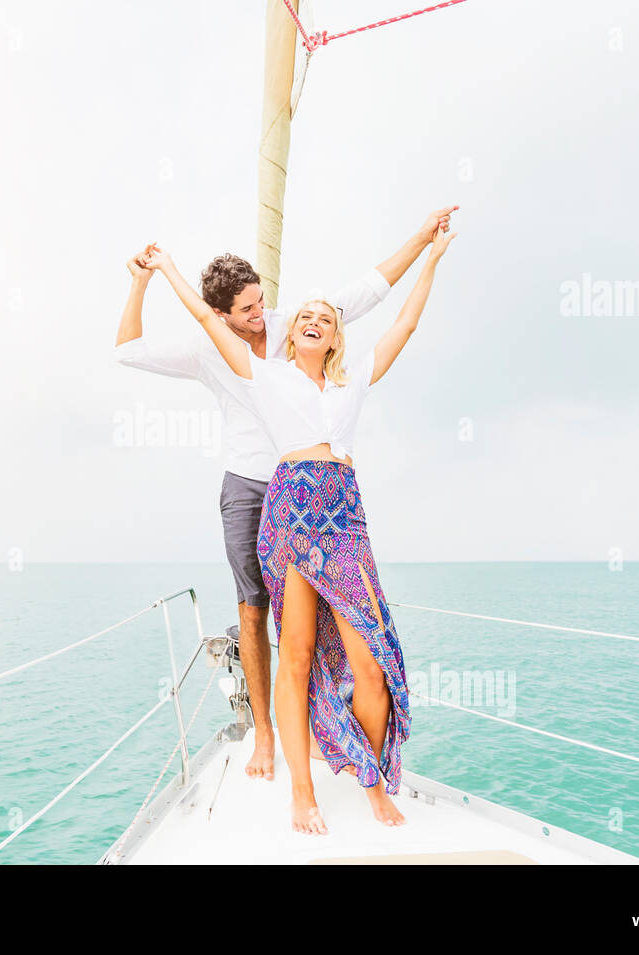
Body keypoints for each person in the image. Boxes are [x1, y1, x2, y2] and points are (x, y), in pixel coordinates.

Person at [113, 210, 455, 782]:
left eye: (259, 301)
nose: (259, 314)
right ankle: (267, 734)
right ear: (224, 315)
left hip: (329, 496)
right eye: (245, 309)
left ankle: (333, 731)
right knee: (255, 611)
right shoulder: (216, 350)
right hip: (255, 488)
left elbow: (375, 292)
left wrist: (425, 242)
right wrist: (146, 278)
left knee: (340, 621)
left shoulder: (302, 326)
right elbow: (127, 350)